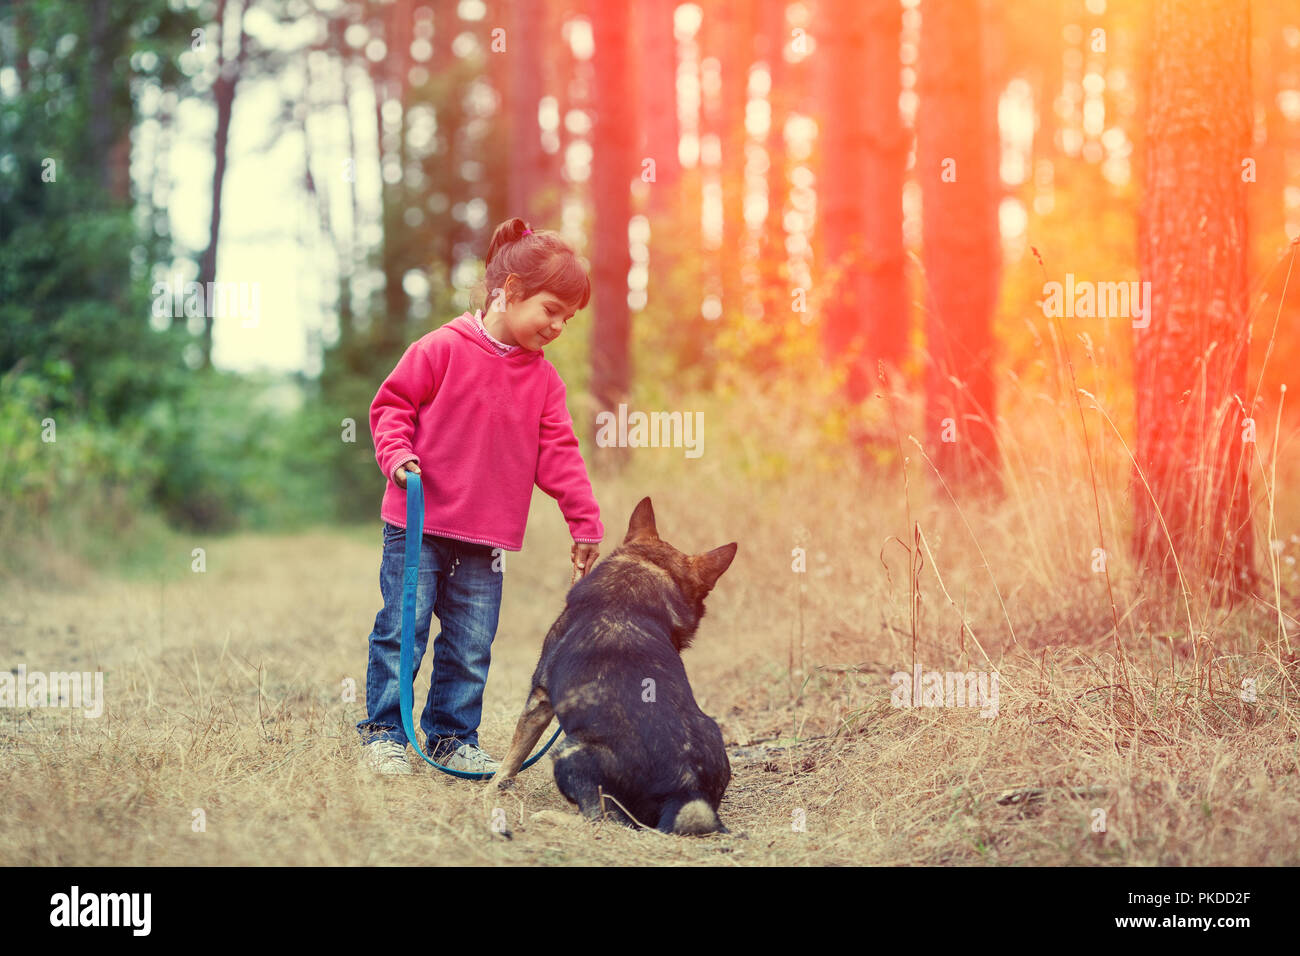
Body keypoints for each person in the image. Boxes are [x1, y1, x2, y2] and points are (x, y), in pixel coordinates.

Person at [358, 217, 603, 776]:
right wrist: (397, 456)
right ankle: (384, 733)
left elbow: (560, 454)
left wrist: (583, 521)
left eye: (568, 318)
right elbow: (391, 406)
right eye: (551, 310)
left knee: (470, 644)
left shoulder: (543, 381)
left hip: (486, 538)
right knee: (402, 629)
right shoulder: (441, 348)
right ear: (509, 291)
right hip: (417, 524)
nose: (559, 326)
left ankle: (451, 734)